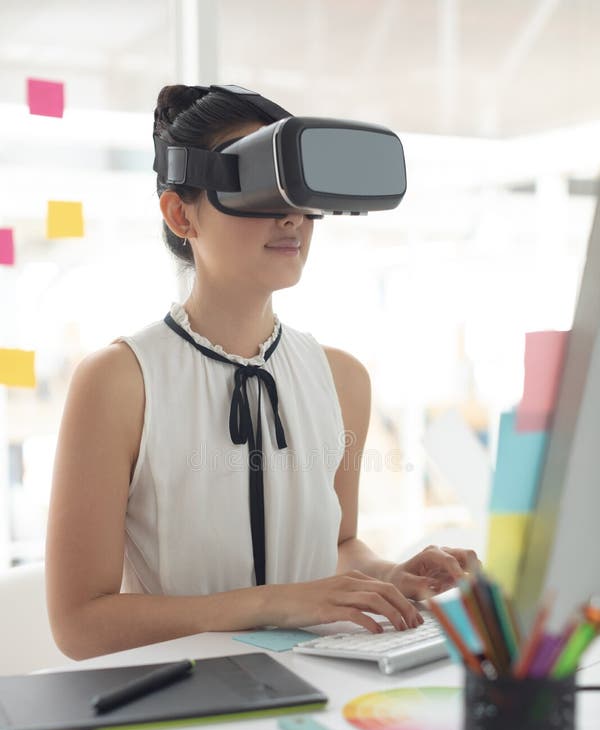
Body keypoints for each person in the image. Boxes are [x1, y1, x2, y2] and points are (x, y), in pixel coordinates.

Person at [45, 84, 480, 660]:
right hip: (178, 700)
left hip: (324, 685)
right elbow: (79, 624)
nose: (291, 217)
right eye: (256, 187)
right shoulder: (120, 382)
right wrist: (274, 602)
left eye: (297, 192)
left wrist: (389, 575)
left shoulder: (343, 379)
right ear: (181, 214)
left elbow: (341, 544)